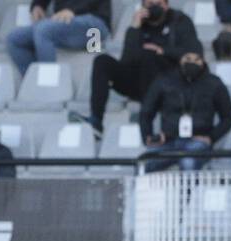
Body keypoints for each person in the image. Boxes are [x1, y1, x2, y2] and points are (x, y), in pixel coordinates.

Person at [69, 0, 199, 139]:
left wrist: (162, 51)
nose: (154, 7)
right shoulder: (139, 25)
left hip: (169, 83)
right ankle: (96, 122)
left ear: (166, 6)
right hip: (138, 80)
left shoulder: (180, 21)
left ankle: (146, 117)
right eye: (150, 4)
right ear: (143, 7)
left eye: (158, 3)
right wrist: (134, 28)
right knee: (102, 61)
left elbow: (194, 53)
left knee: (150, 56)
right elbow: (127, 61)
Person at [140, 43, 231, 171]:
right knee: (143, 164)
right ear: (180, 60)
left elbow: (229, 117)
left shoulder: (214, 83)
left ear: (203, 61)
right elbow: (146, 111)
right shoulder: (164, 80)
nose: (192, 63)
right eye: (188, 59)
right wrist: (148, 136)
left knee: (188, 161)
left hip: (198, 142)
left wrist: (211, 137)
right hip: (168, 140)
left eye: (197, 59)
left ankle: (189, 192)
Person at [7, 0, 111, 75]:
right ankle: (33, 82)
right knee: (14, 39)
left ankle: (48, 83)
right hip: (64, 22)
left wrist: (73, 11)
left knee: (44, 29)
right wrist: (38, 5)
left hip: (95, 25)